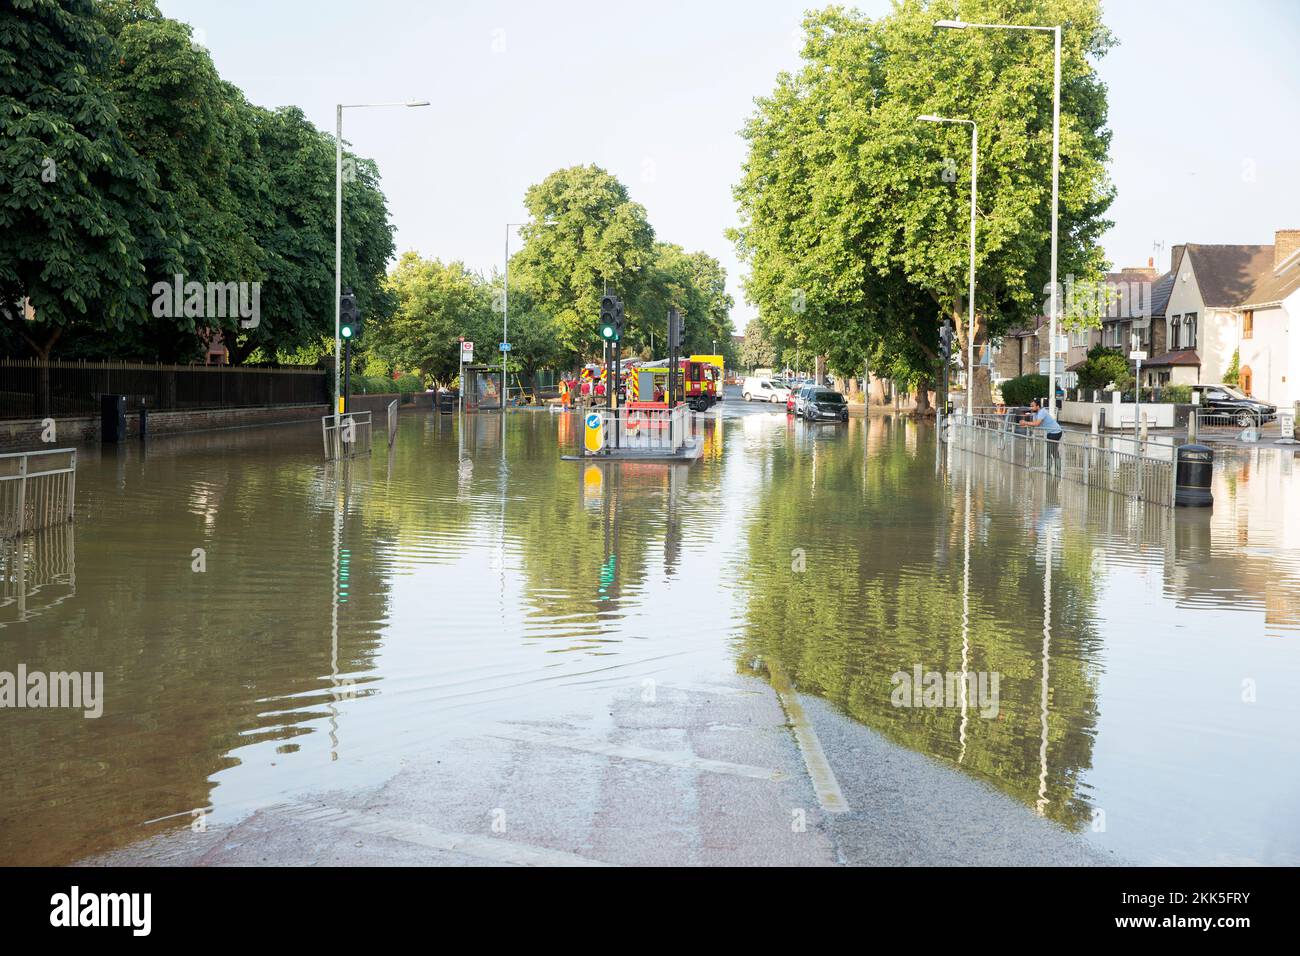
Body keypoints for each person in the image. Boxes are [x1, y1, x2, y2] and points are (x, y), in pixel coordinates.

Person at [1020, 398, 1064, 476]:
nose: (1031, 408)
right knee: (1052, 451)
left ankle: (1051, 471)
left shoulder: (1042, 412)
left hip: (1055, 432)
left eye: (1033, 406)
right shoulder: (1036, 413)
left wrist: (1025, 422)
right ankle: (1055, 470)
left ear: (1038, 406)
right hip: (1051, 433)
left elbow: (1036, 424)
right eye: (1031, 406)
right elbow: (1034, 423)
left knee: (1050, 451)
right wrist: (1025, 424)